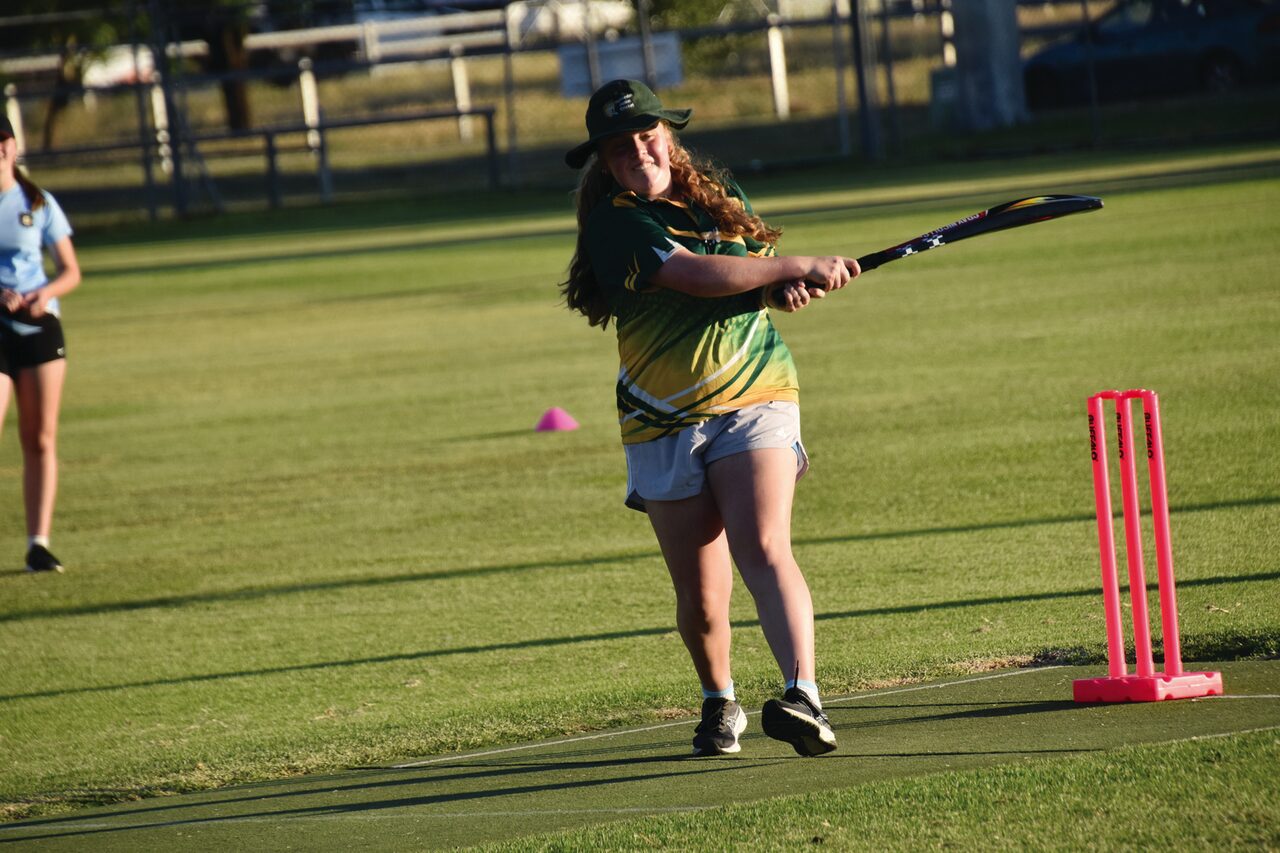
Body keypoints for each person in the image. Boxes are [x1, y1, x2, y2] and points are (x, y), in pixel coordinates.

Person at [561, 80, 859, 757]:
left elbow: (754, 277)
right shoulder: (615, 221)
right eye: (621, 146)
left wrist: (784, 286)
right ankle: (719, 698)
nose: (639, 151)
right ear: (605, 160)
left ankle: (804, 695)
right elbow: (695, 276)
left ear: (668, 137)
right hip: (662, 416)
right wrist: (798, 264)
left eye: (648, 136)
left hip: (757, 393)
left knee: (764, 544)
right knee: (699, 596)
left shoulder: (720, 199)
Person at [0, 116, 80, 573]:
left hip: (38, 327)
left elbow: (70, 271)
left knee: (40, 437)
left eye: (3, 141)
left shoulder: (37, 201)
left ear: (14, 146)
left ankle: (38, 544)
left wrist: (44, 294)